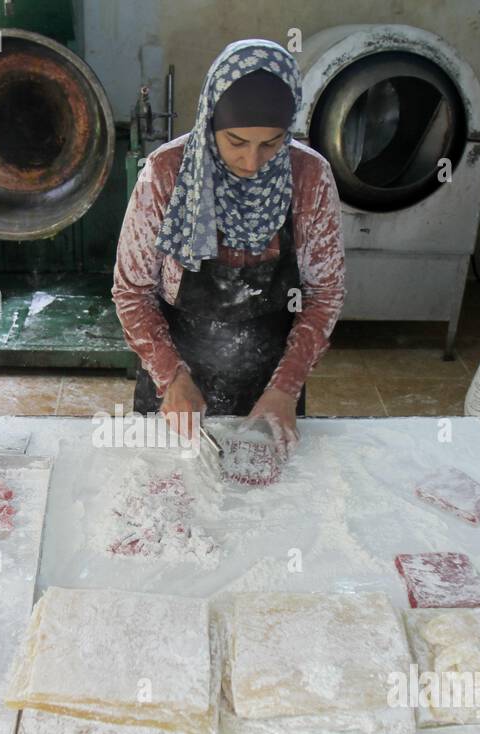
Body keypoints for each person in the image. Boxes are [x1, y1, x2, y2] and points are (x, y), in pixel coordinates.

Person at [112, 39, 345, 452]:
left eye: (271, 144)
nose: (252, 162)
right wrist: (171, 378)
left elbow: (323, 294)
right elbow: (133, 292)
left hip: (272, 379)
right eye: (236, 141)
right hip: (176, 379)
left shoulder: (309, 176)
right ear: (209, 121)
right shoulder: (166, 174)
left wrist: (286, 387)